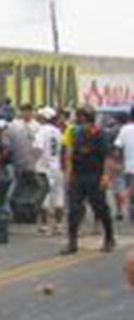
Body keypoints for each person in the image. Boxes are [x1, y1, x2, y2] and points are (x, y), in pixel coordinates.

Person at [62, 107, 115, 254]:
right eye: (80, 120)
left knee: (100, 208)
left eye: (84, 120)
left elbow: (106, 157)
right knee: (73, 210)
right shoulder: (75, 133)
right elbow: (69, 154)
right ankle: (72, 242)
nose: (82, 124)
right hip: (78, 176)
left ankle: (109, 238)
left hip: (95, 175)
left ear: (90, 120)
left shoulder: (100, 135)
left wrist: (105, 176)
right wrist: (68, 174)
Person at [1, 103, 40, 215]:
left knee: (33, 188)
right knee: (15, 186)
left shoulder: (38, 127)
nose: (26, 113)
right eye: (24, 111)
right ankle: (9, 208)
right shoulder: (13, 126)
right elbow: (6, 144)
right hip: (17, 163)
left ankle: (32, 210)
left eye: (28, 111)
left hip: (34, 164)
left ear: (32, 112)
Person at [33, 107, 65, 235]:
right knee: (58, 197)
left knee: (44, 197)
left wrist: (34, 162)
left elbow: (38, 148)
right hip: (57, 166)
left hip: (43, 167)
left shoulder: (41, 131)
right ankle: (58, 225)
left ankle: (45, 225)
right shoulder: (58, 131)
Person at [113, 107, 134, 221]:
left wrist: (116, 162)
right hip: (129, 166)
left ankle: (129, 210)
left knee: (129, 189)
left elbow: (117, 148)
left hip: (129, 166)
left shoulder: (125, 129)